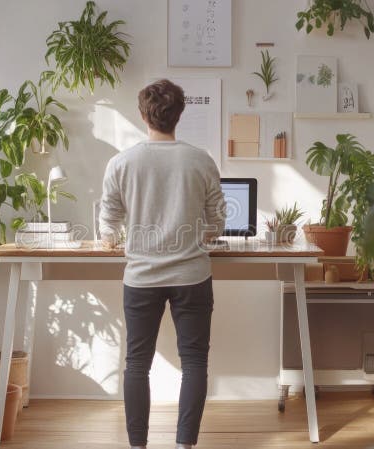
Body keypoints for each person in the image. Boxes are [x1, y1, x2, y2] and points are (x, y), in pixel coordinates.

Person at [99, 79, 226, 449]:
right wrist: (194, 235)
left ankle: (138, 445)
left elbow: (108, 224)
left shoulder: (121, 163)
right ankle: (184, 445)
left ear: (143, 115)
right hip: (192, 275)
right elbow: (216, 223)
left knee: (137, 364)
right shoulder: (200, 160)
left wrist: (117, 239)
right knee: (194, 363)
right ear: (179, 114)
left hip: (141, 277)